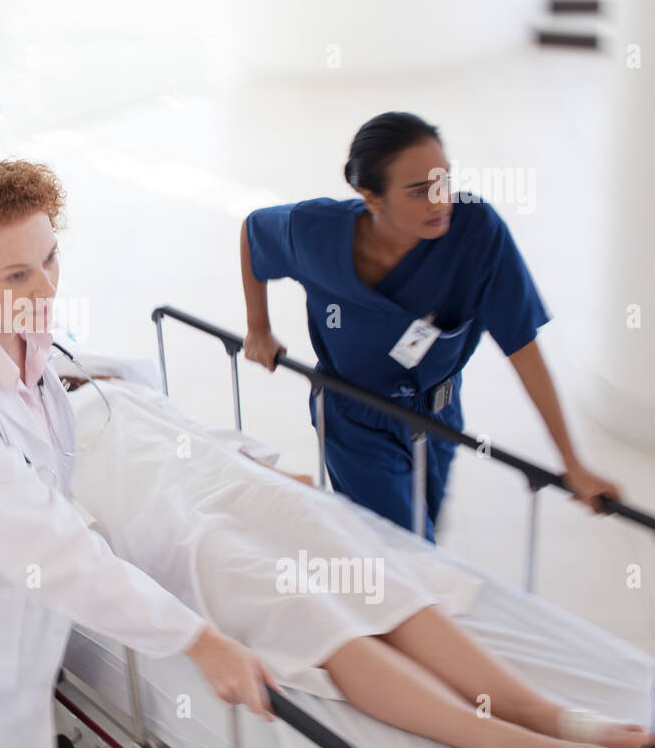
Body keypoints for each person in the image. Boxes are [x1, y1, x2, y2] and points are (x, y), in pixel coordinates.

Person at [0, 161, 279, 748]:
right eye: (17, 274)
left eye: (51, 258)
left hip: (17, 626)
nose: (47, 287)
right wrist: (198, 639)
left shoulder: (18, 331)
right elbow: (50, 547)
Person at [65, 376, 655, 748]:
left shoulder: (103, 378)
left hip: (226, 479)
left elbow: (191, 429)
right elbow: (55, 533)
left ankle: (545, 714)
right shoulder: (6, 436)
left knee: (358, 561)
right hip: (164, 523)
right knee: (292, 598)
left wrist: (265, 467)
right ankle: (504, 743)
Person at [240, 111, 621, 539]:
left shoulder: (476, 231)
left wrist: (572, 463)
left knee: (424, 534)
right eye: (420, 191)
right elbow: (254, 232)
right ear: (373, 197)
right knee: (406, 549)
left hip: (439, 413)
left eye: (444, 180)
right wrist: (258, 329)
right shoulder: (315, 232)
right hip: (355, 417)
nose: (441, 201)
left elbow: (521, 345)